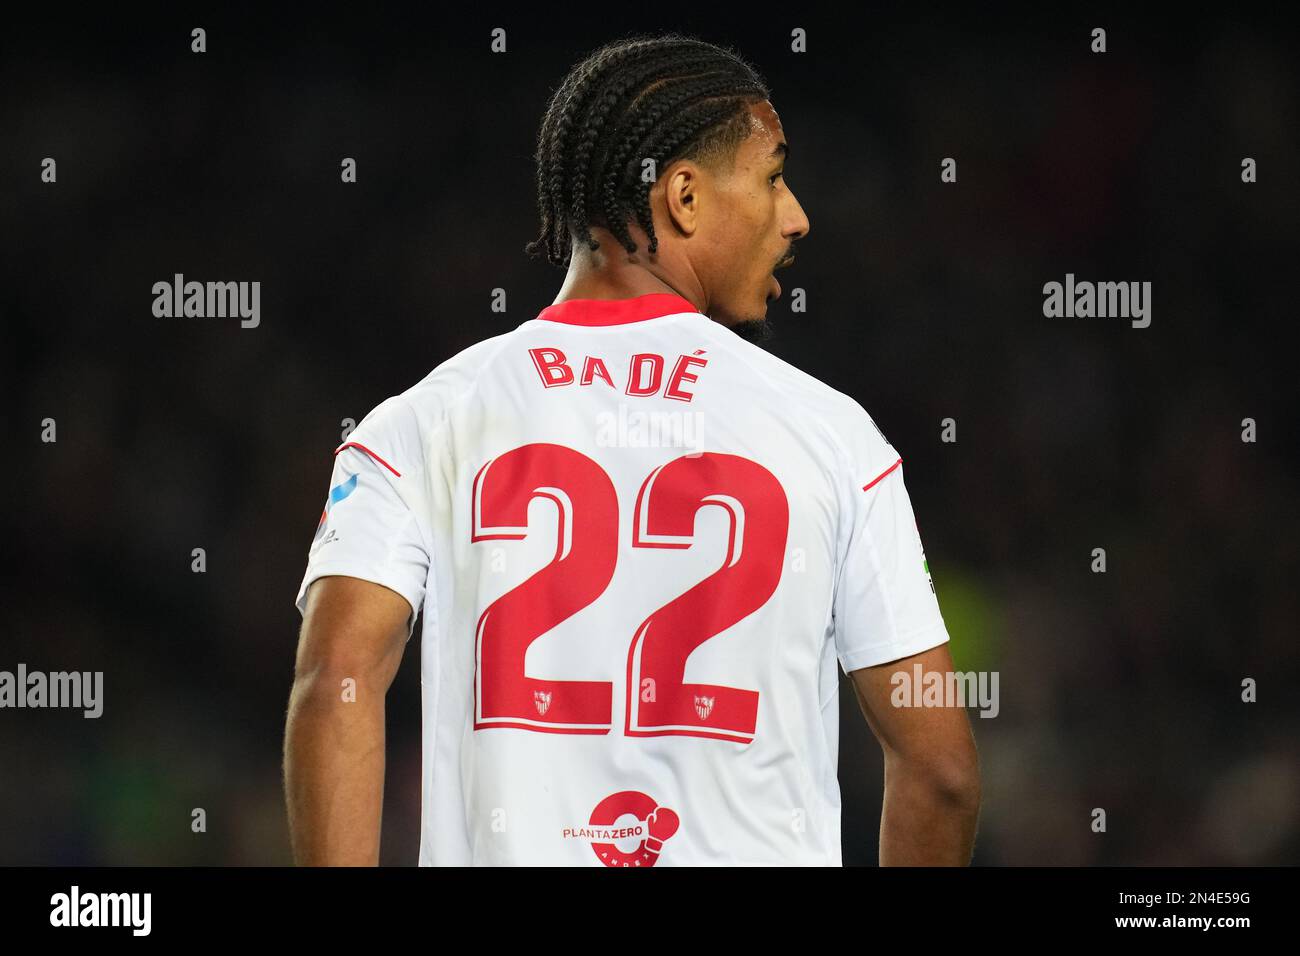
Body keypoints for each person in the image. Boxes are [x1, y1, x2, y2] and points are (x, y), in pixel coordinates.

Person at [284, 32, 980, 866]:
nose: (796, 216)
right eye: (772, 178)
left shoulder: (417, 426)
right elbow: (941, 771)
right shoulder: (833, 437)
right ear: (684, 197)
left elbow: (334, 685)